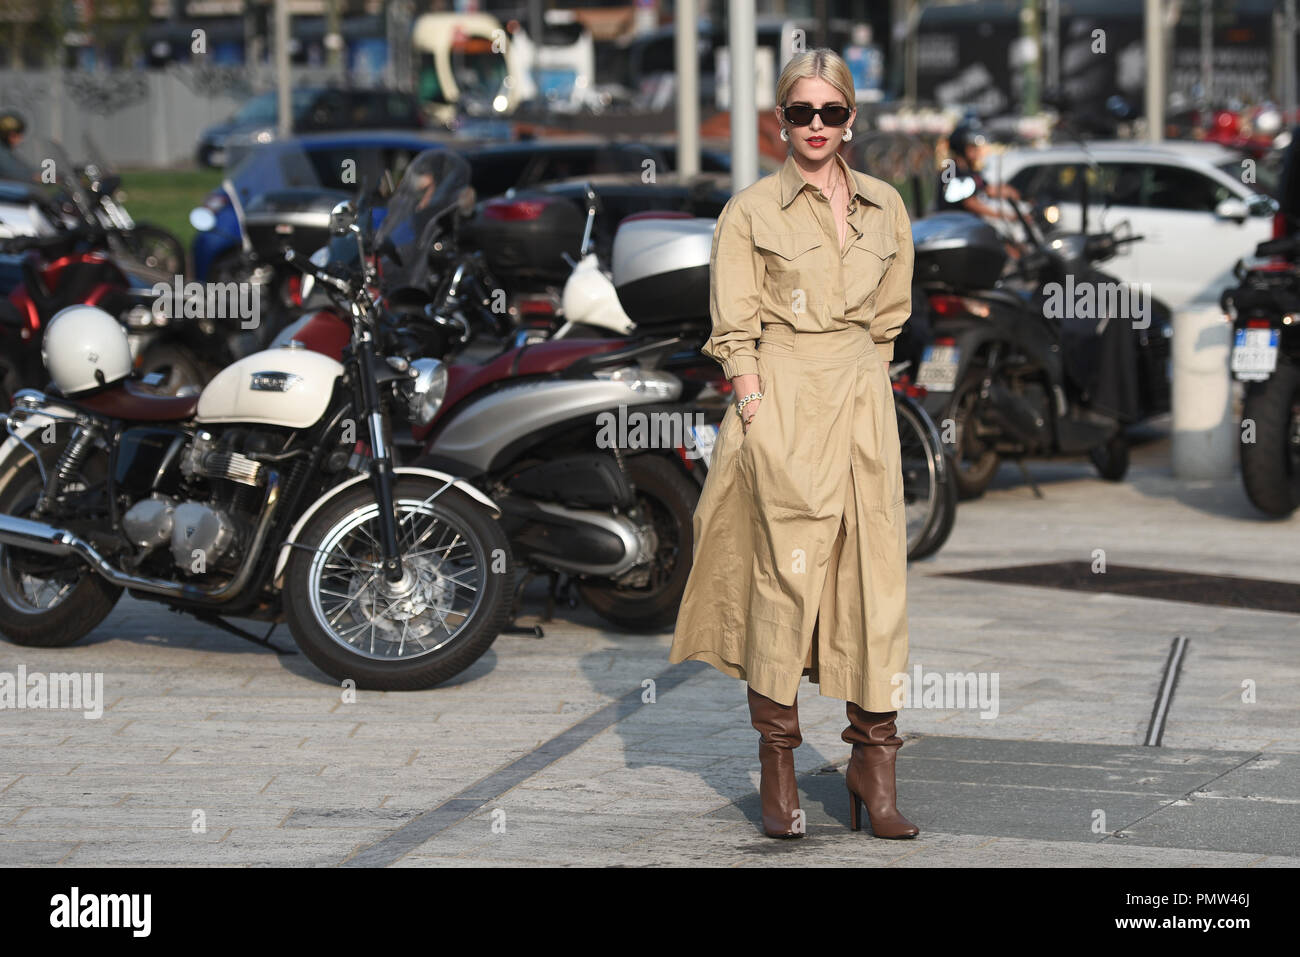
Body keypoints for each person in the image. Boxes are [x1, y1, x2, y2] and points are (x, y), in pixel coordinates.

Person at [669, 48, 919, 841]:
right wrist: (753, 404)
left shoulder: (886, 205)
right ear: (781, 120)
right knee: (783, 580)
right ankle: (779, 761)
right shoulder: (749, 211)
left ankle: (872, 769)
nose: (816, 126)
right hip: (778, 397)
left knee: (874, 583)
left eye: (831, 112)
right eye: (801, 113)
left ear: (852, 118)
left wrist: (866, 387)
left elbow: (891, 318)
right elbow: (733, 327)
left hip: (862, 402)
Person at [934, 117, 1021, 221]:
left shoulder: (970, 171)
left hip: (966, 225)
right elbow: (970, 202)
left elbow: (988, 189)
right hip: (954, 225)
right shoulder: (952, 170)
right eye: (973, 147)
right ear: (961, 147)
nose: (979, 151)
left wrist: (1013, 193)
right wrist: (1003, 215)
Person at [0, 110, 38, 183]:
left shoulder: (5, 151)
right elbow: (17, 174)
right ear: (9, 135)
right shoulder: (2, 155)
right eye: (17, 135)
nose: (20, 139)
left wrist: (46, 173)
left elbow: (24, 168)